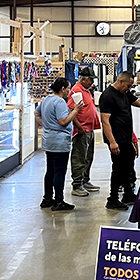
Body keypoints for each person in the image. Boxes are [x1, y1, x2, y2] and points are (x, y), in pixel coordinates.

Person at [99, 71, 140, 210]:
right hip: (116, 139)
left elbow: (138, 102)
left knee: (128, 165)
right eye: (128, 85)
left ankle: (128, 194)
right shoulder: (107, 96)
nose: (129, 88)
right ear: (120, 82)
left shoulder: (125, 93)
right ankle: (112, 199)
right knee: (118, 168)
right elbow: (105, 121)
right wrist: (112, 141)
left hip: (126, 138)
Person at [37, 77, 82, 211]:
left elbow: (36, 113)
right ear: (62, 89)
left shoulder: (46, 99)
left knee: (50, 170)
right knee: (59, 171)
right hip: (59, 142)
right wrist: (75, 110)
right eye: (68, 88)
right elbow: (63, 121)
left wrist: (45, 124)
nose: (69, 91)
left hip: (48, 140)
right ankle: (59, 201)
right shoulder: (60, 102)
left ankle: (47, 198)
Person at [68, 67, 101, 197]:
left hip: (89, 129)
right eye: (91, 80)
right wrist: (79, 127)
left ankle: (85, 180)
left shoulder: (85, 90)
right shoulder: (76, 91)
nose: (92, 83)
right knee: (79, 158)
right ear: (84, 79)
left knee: (88, 157)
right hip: (82, 130)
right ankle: (77, 184)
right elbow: (71, 110)